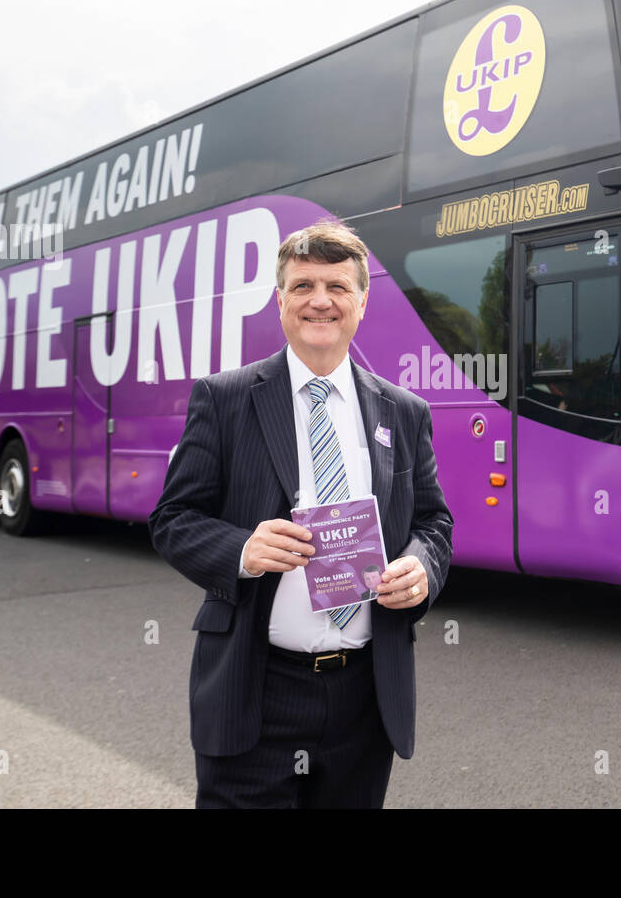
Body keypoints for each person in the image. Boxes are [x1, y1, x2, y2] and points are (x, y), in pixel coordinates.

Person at [149, 219, 453, 808]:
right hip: (256, 689)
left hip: (364, 697)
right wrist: (241, 549)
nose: (320, 300)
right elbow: (173, 519)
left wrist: (421, 568)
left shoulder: (405, 411)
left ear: (362, 301)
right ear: (280, 299)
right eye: (303, 285)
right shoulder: (226, 397)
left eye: (338, 287)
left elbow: (434, 523)